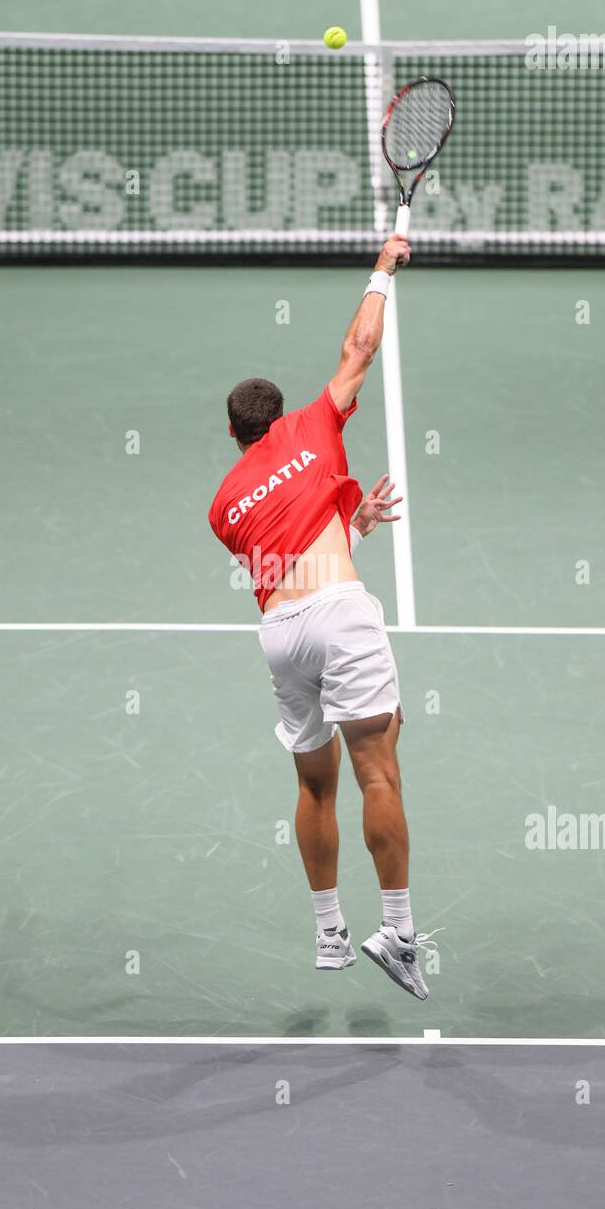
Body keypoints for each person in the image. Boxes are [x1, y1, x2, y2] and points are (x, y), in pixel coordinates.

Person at [208, 233, 433, 999]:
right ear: (278, 419)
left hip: (280, 637)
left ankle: (329, 933)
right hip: (340, 614)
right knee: (381, 769)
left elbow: (279, 572)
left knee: (314, 788)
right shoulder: (312, 425)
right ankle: (398, 933)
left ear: (235, 434)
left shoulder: (223, 504)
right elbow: (360, 345)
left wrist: (353, 526)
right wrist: (383, 265)